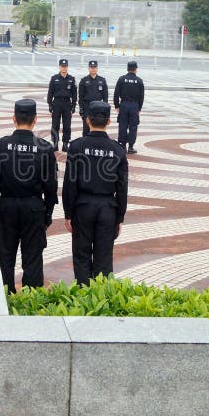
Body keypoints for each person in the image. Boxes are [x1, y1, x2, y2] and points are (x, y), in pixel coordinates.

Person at [0, 99, 58, 293]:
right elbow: (51, 186)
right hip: (34, 208)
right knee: (33, 257)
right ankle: (30, 301)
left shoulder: (1, 145)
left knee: (4, 257)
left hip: (6, 206)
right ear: (35, 119)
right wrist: (48, 213)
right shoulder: (44, 147)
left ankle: (3, 298)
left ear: (13, 118)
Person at [62, 101, 128, 284]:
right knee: (104, 259)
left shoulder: (76, 147)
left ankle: (83, 296)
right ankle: (101, 300)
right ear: (108, 121)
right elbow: (122, 188)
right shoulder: (118, 150)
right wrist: (120, 217)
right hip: (108, 209)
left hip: (82, 208)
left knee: (81, 256)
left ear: (87, 120)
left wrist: (68, 213)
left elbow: (70, 183)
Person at [114, 61, 145, 154]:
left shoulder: (121, 79)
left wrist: (117, 105)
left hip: (124, 105)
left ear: (127, 69)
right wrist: (139, 108)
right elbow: (141, 96)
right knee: (133, 126)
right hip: (134, 106)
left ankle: (122, 145)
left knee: (122, 125)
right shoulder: (139, 81)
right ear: (135, 69)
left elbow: (116, 93)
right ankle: (131, 147)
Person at [47, 58, 77, 151]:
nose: (64, 68)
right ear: (59, 67)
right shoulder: (54, 78)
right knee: (55, 125)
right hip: (57, 103)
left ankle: (65, 144)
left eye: (65, 66)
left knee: (67, 125)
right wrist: (50, 105)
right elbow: (50, 93)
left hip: (67, 103)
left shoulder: (71, 79)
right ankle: (55, 143)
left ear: (67, 67)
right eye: (62, 66)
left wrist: (73, 106)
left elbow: (74, 94)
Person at [78, 60, 108, 136]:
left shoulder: (102, 80)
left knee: (98, 127)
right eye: (91, 67)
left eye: (94, 67)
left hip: (99, 107)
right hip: (87, 106)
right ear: (89, 68)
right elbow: (80, 96)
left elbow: (105, 96)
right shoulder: (84, 81)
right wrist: (81, 108)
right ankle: (85, 145)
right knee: (86, 127)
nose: (93, 69)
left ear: (97, 68)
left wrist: (105, 109)